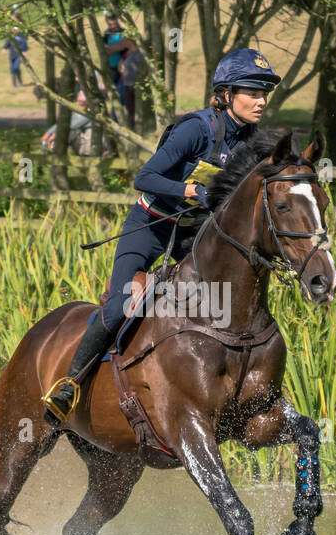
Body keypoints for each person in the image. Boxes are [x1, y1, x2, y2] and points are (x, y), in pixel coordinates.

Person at [41, 47, 281, 426]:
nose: (261, 101)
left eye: (264, 93)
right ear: (225, 95)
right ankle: (69, 383)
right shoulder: (195, 129)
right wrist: (191, 192)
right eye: (253, 92)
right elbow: (145, 178)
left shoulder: (252, 141)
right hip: (151, 227)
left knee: (215, 305)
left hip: (192, 236)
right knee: (121, 304)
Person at [119, 39, 148, 129]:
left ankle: (138, 126)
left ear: (130, 42)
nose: (123, 43)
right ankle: (132, 126)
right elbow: (121, 65)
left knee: (136, 108)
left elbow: (141, 70)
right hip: (127, 84)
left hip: (134, 85)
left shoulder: (139, 53)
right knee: (130, 108)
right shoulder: (128, 53)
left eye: (125, 41)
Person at [102, 13, 127, 106]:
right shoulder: (106, 34)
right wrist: (114, 48)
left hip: (122, 69)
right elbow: (104, 50)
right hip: (110, 67)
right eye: (110, 24)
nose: (112, 26)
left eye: (114, 24)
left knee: (122, 94)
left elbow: (124, 47)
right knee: (113, 94)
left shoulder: (123, 33)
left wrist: (112, 48)